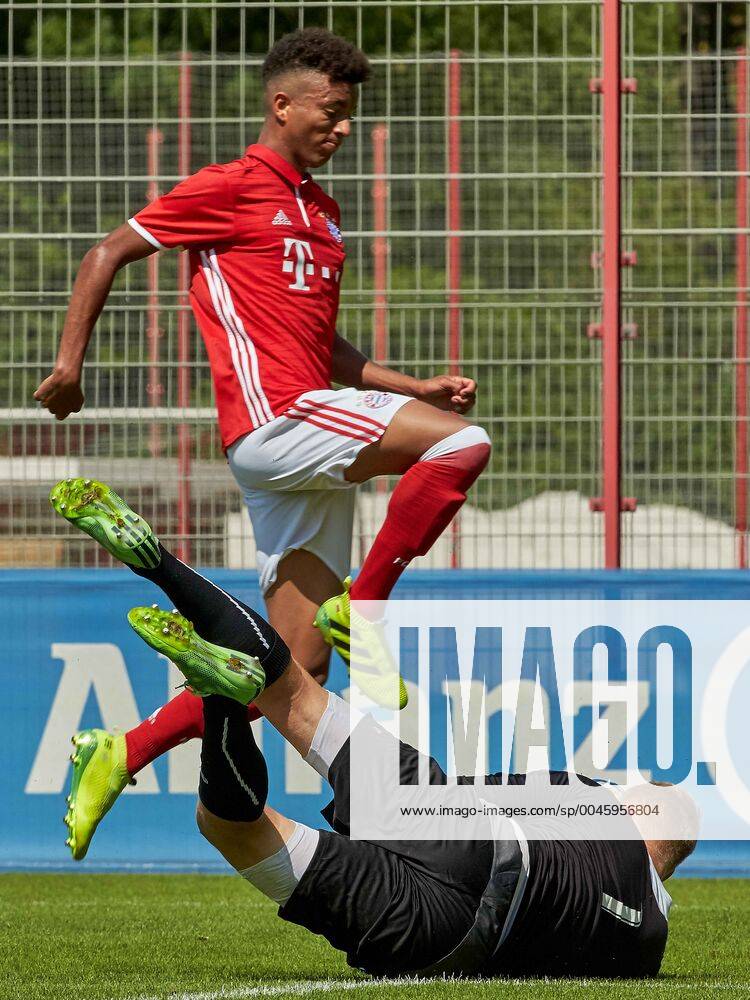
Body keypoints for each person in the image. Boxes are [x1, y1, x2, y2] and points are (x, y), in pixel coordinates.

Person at [37, 28, 491, 857]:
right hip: (278, 420)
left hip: (305, 428)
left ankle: (120, 750)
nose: (343, 127)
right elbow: (108, 252)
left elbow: (321, 345)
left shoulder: (324, 213)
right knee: (462, 446)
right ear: (282, 105)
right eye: (332, 111)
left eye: (350, 115)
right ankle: (368, 607)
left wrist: (413, 388)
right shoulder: (229, 187)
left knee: (292, 671)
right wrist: (70, 366)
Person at [57, 480, 696, 978]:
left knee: (294, 695)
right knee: (234, 829)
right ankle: (220, 702)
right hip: (439, 941)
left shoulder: (591, 799)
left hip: (475, 836)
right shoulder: (649, 942)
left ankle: (160, 564)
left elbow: (493, 789)